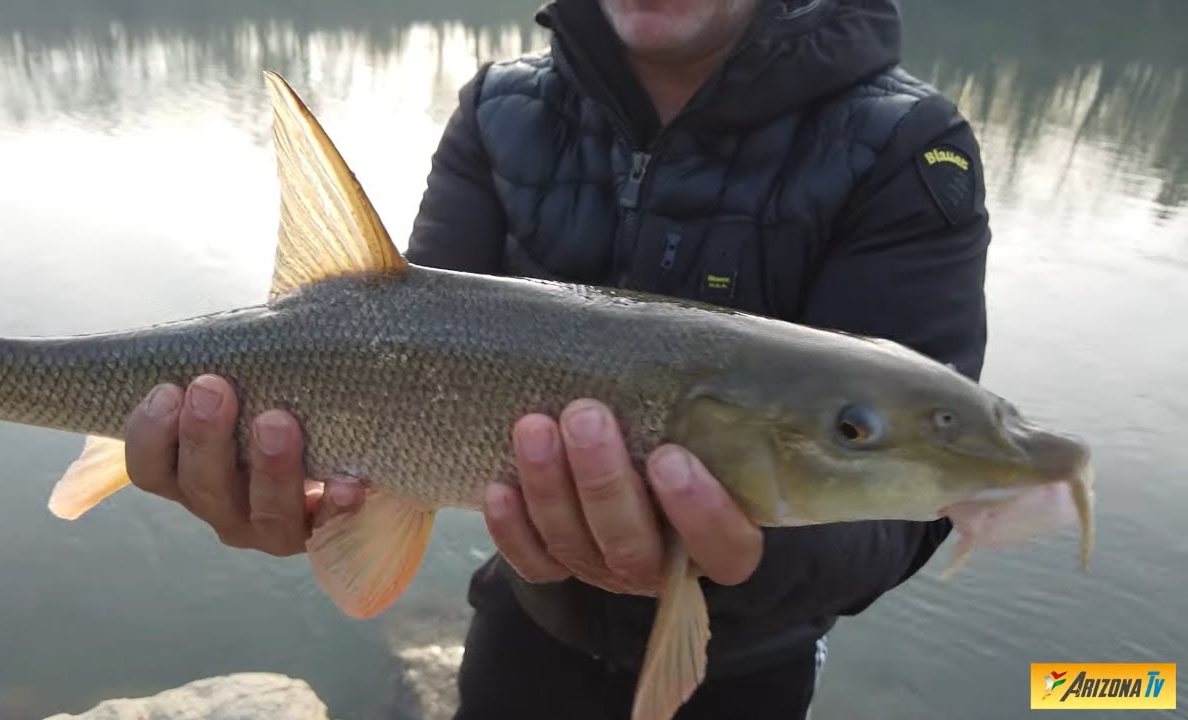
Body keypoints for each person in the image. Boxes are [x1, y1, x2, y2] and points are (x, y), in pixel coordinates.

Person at [121, 0, 992, 717]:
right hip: (525, 626)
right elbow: (386, 341)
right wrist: (315, 496)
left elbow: (913, 504)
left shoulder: (908, 145)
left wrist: (730, 561)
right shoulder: (499, 108)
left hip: (749, 666)